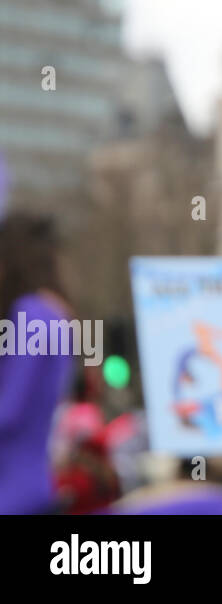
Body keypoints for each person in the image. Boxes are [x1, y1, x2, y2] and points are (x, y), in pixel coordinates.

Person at [0, 212, 78, 514]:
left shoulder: (30, 313)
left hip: (11, 492)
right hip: (34, 484)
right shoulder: (57, 313)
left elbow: (9, 410)